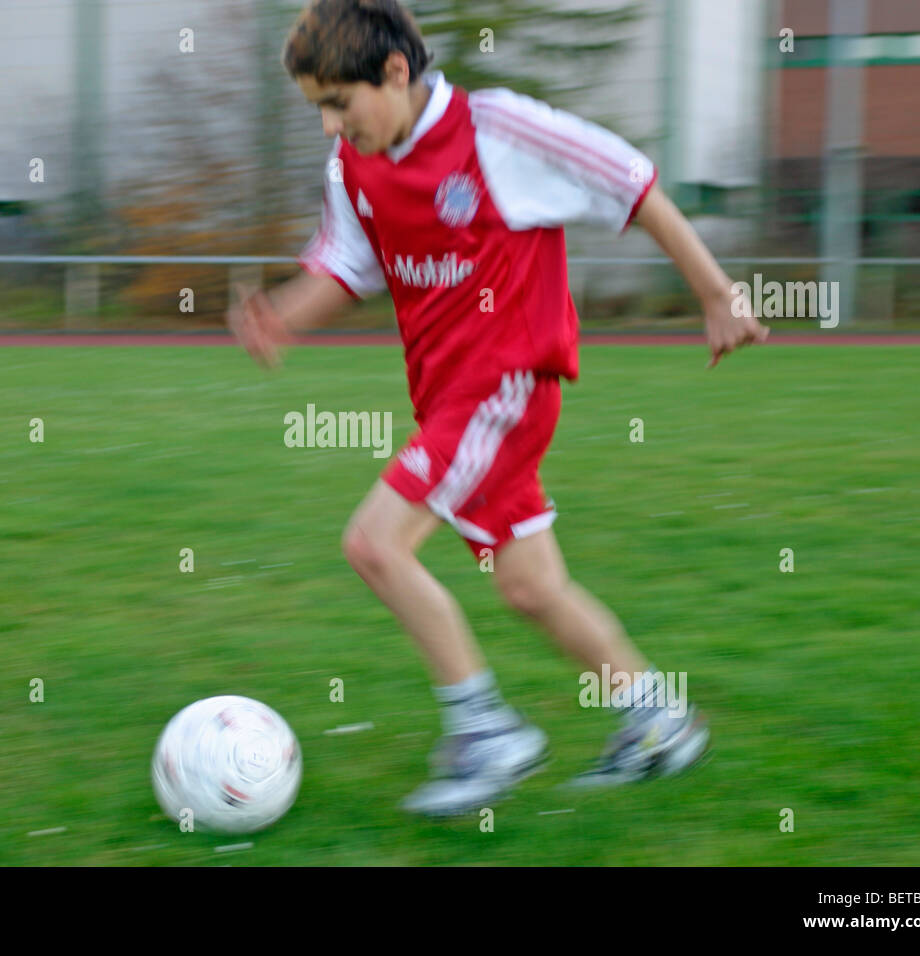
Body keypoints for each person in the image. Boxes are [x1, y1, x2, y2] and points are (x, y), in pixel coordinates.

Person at [226, 0, 769, 817]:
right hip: (450, 400)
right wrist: (280, 316)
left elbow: (633, 184)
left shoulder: (498, 130)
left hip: (505, 386)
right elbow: (347, 265)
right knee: (530, 587)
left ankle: (485, 733)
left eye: (340, 103)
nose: (331, 126)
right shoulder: (354, 167)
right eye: (319, 110)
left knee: (374, 545)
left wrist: (718, 294)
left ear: (397, 72)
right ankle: (658, 720)